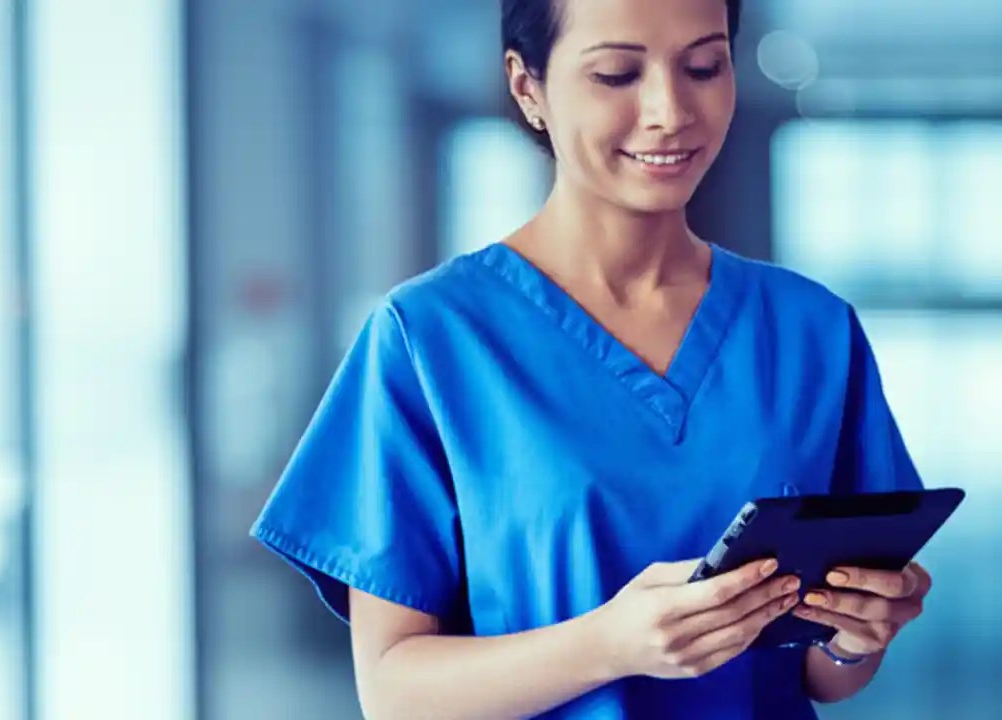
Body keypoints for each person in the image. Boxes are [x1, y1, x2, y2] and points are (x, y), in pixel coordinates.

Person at [251, 0, 934, 717]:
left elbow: (823, 676)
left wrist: (858, 637)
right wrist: (610, 645)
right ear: (527, 88)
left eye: (704, 66)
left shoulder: (811, 330)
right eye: (616, 74)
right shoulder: (430, 338)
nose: (671, 110)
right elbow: (395, 694)